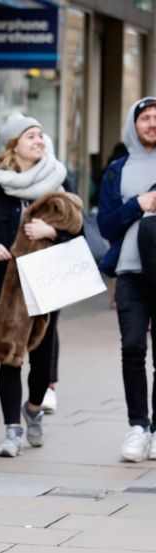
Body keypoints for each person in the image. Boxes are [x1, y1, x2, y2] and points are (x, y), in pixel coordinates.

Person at [0, 113, 73, 457]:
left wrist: (52, 232)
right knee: (9, 355)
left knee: (42, 359)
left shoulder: (59, 183)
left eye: (41, 135)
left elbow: (80, 230)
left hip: (47, 281)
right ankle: (12, 430)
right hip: (5, 285)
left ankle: (33, 408)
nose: (39, 141)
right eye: (30, 136)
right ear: (14, 145)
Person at [97, 97, 156, 463]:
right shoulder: (117, 170)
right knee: (132, 348)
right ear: (133, 125)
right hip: (131, 274)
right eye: (146, 117)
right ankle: (138, 426)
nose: (152, 123)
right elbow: (104, 225)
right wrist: (139, 204)